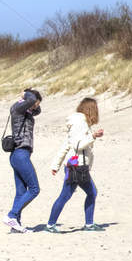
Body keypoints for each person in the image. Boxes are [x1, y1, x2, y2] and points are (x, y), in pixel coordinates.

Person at [45, 97, 105, 232]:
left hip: (78, 166)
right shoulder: (79, 124)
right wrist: (93, 136)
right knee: (65, 195)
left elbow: (65, 146)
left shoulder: (80, 123)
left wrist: (56, 165)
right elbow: (78, 145)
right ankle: (50, 225)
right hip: (76, 166)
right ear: (91, 109)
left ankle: (89, 224)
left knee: (92, 192)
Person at [3, 88, 43, 233]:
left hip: (19, 155)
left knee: (21, 192)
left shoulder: (27, 110)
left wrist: (34, 102)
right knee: (34, 189)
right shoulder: (18, 108)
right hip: (20, 154)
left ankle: (16, 225)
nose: (36, 106)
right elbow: (31, 100)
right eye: (36, 103)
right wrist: (26, 94)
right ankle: (12, 215)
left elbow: (38, 111)